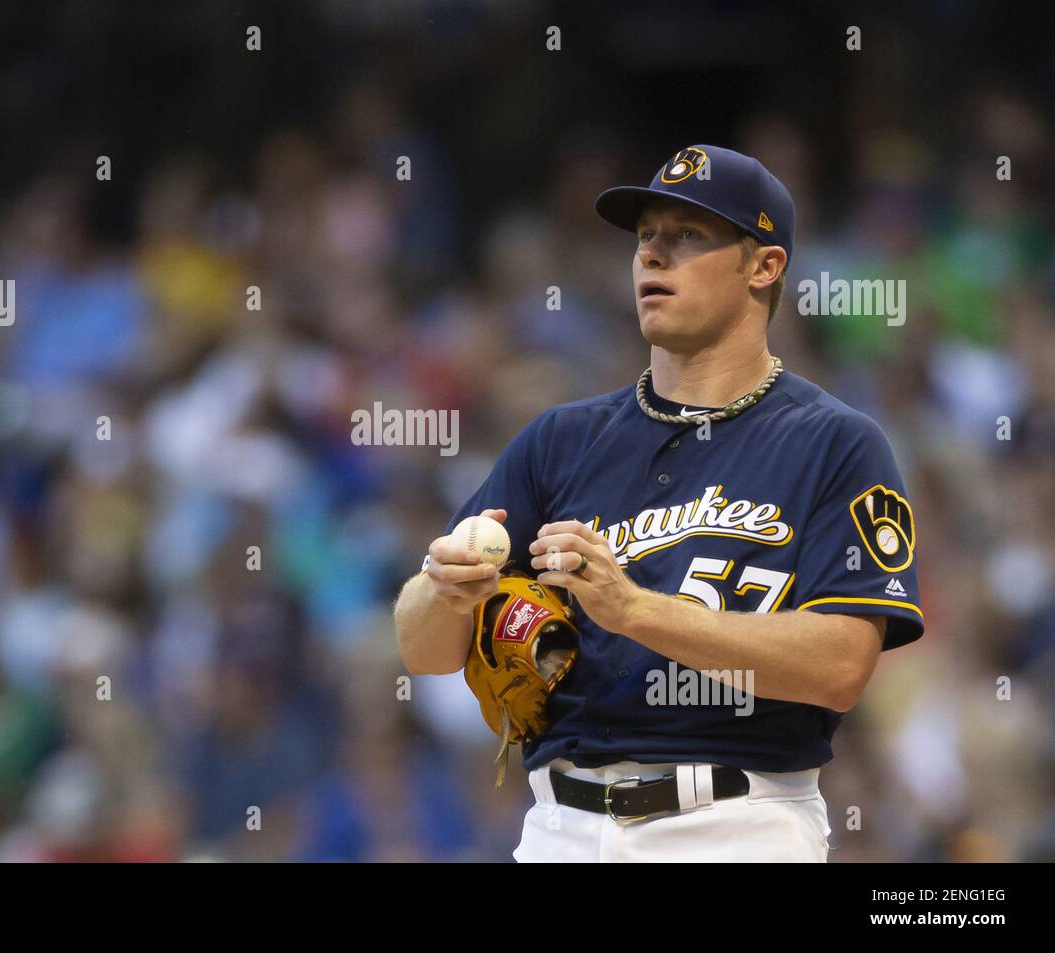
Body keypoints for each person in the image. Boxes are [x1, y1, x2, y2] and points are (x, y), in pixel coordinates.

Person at [393, 145, 923, 862]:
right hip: (561, 825)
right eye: (646, 236)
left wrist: (634, 609)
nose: (653, 256)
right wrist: (442, 587)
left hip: (737, 822)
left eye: (689, 236)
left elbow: (841, 668)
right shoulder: (560, 439)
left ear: (764, 265)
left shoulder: (836, 444)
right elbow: (422, 650)